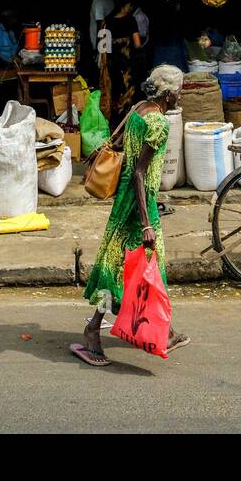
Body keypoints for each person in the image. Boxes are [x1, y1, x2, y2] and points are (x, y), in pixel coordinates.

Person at [71, 64, 189, 366]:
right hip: (140, 202)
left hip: (127, 196)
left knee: (122, 262)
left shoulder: (139, 108)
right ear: (167, 93)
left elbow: (129, 158)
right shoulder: (159, 124)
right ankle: (93, 331)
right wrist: (147, 222)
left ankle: (166, 331)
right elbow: (139, 172)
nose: (180, 97)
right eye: (177, 91)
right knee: (142, 265)